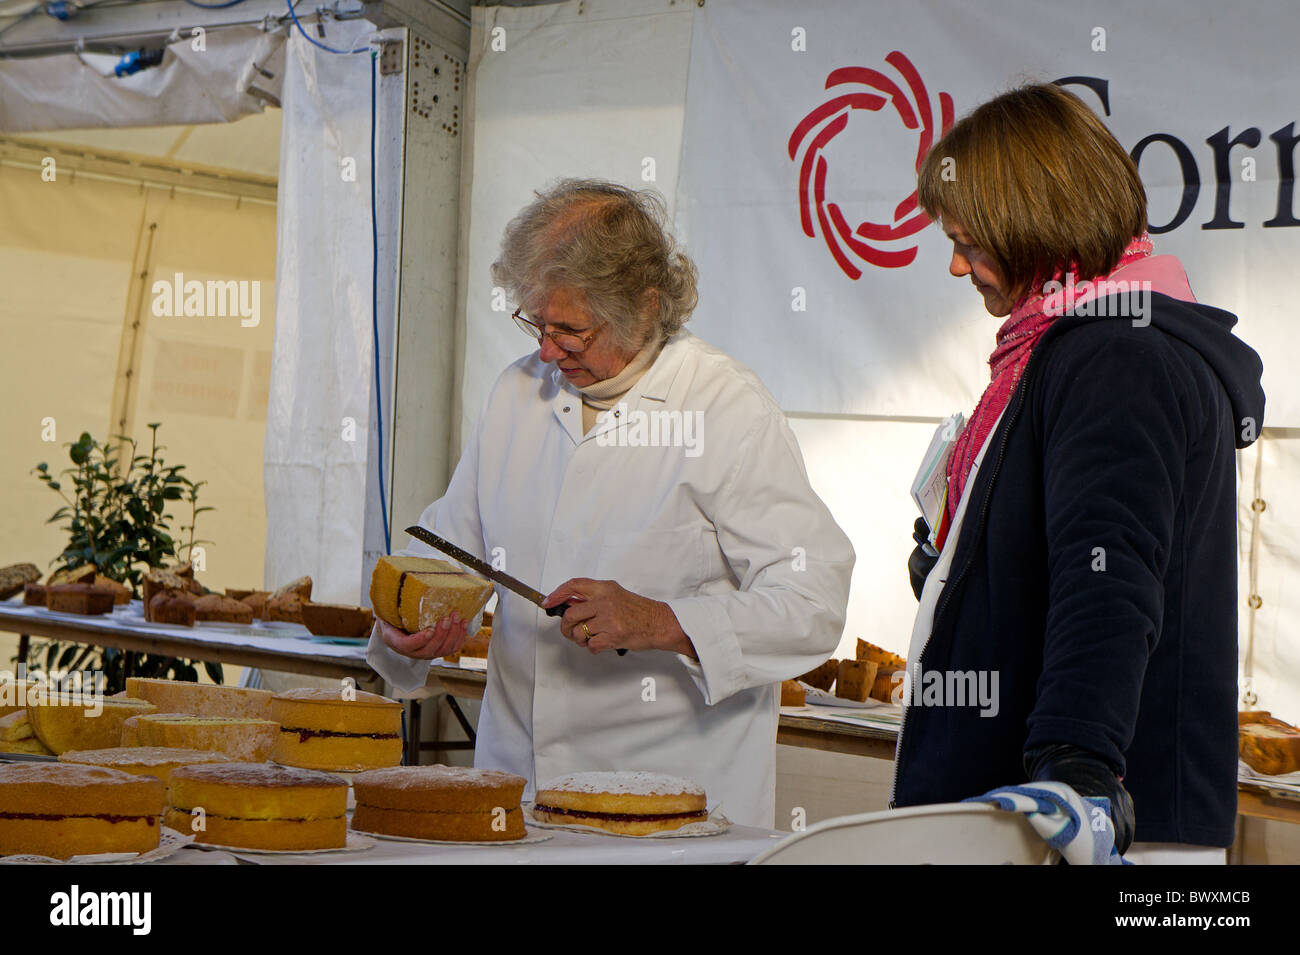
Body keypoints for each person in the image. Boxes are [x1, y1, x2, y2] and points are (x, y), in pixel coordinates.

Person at [366, 179, 855, 828]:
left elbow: (813, 603)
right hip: (518, 801)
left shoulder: (723, 404)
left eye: (569, 329)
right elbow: (446, 549)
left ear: (646, 307)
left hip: (672, 817)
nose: (545, 350)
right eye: (535, 322)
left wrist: (661, 620)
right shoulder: (517, 392)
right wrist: (412, 632)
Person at [897, 83, 1265, 863]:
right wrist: (958, 575)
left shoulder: (1115, 354)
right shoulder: (1080, 344)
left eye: (969, 239)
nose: (957, 264)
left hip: (1082, 827)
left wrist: (1077, 764)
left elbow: (1111, 569)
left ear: (1034, 225)